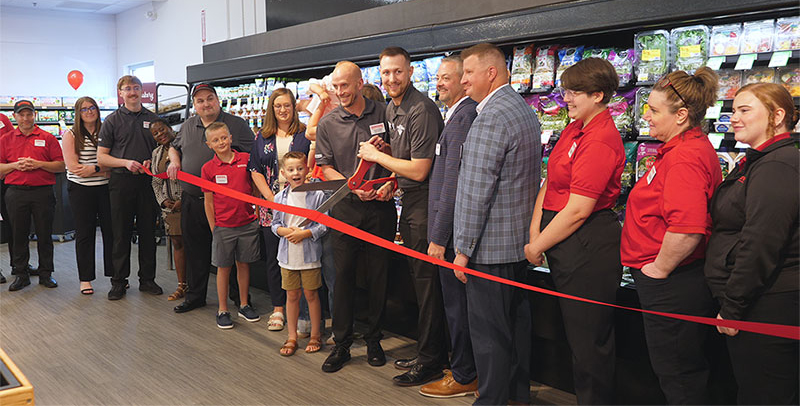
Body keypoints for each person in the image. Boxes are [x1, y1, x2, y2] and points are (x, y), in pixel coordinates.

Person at [523, 58, 624, 404]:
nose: (566, 97)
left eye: (575, 91)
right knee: (577, 340)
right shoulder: (574, 128)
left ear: (598, 95)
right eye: (566, 89)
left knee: (589, 346)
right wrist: (536, 232)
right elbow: (550, 180)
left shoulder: (600, 139)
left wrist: (538, 246)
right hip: (563, 245)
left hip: (587, 248)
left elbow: (579, 210)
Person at [619, 67, 722, 404]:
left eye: (653, 110)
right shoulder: (681, 150)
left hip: (673, 283)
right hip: (672, 280)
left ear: (681, 116)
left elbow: (687, 228)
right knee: (676, 369)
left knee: (678, 372)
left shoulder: (684, 159)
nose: (645, 116)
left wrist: (660, 268)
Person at [452, 43, 541, 405]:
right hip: (517, 246)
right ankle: (517, 395)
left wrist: (462, 250)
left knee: (489, 335)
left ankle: (491, 400)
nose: (463, 80)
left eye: (468, 73)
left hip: (488, 250)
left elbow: (475, 191)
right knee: (516, 328)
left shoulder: (490, 117)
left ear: (491, 73)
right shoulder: (521, 108)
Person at [704, 83, 799, 404]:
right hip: (759, 301)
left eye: (745, 110)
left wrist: (733, 307)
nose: (733, 118)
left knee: (765, 395)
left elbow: (761, 242)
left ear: (778, 115)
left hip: (767, 305)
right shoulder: (761, 161)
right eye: (733, 110)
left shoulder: (777, 166)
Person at [359, 46, 447, 387]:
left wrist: (376, 158)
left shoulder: (420, 108)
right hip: (410, 202)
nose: (391, 79)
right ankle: (429, 351)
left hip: (425, 206)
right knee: (420, 283)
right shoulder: (394, 107)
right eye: (385, 73)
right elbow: (408, 161)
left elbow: (422, 170)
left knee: (427, 287)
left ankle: (431, 362)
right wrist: (390, 163)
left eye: (397, 72)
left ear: (410, 72)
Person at [317, 61, 396, 373]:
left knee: (379, 275)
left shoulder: (385, 113)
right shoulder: (327, 123)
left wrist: (391, 180)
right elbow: (325, 167)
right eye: (336, 87)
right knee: (344, 277)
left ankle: (375, 338)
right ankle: (342, 344)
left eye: (345, 86)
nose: (340, 93)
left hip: (380, 208)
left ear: (361, 83)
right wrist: (352, 188)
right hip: (346, 209)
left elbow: (399, 156)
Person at [418, 55, 480, 398]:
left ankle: (464, 374)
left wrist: (438, 238)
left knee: (458, 310)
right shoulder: (454, 115)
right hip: (451, 233)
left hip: (454, 236)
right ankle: (463, 368)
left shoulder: (465, 116)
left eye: (447, 77)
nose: (440, 83)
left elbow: (452, 185)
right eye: (438, 78)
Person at [167, 83, 254, 313]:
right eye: (200, 101)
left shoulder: (237, 124)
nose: (206, 104)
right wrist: (175, 160)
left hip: (228, 204)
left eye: (210, 98)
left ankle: (240, 299)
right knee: (195, 250)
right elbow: (173, 147)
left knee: (233, 253)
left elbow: (251, 158)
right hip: (193, 200)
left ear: (217, 99)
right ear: (195, 105)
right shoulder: (187, 126)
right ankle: (196, 296)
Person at [249, 87, 311, 331]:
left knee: (304, 258)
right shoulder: (262, 137)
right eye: (278, 106)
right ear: (271, 110)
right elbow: (254, 169)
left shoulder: (305, 134)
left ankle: (305, 310)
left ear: (293, 107)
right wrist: (270, 197)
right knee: (276, 258)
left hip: (301, 205)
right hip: (272, 206)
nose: (283, 110)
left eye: (287, 105)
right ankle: (278, 308)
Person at [97, 75, 162, 300]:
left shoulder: (154, 119)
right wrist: (125, 162)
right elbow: (102, 158)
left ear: (142, 91)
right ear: (121, 93)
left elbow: (163, 152)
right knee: (120, 234)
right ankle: (118, 282)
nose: (133, 92)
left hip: (147, 183)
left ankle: (147, 280)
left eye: (136, 88)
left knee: (147, 232)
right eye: (128, 89)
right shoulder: (112, 121)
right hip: (121, 182)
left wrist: (151, 162)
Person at [201, 122, 261, 329]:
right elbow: (208, 202)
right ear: (209, 144)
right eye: (216, 140)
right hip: (223, 227)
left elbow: (255, 189)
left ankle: (244, 304)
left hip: (247, 224)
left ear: (231, 137)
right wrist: (213, 227)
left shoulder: (246, 160)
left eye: (224, 138)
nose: (221, 142)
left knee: (243, 265)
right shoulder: (208, 169)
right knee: (223, 268)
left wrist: (257, 213)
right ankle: (223, 309)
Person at [0, 100, 66, 291]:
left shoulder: (47, 138)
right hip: (15, 193)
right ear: (15, 117)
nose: (26, 118)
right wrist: (15, 166)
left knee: (45, 234)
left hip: (42, 193)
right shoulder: (6, 140)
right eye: (21, 115)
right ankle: (21, 274)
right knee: (18, 235)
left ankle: (46, 274)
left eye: (29, 114)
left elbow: (60, 165)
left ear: (34, 115)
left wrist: (38, 164)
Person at [271, 151, 328, 355]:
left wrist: (305, 233)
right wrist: (284, 231)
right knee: (292, 295)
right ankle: (292, 336)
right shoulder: (280, 197)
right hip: (287, 257)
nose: (296, 173)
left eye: (300, 168)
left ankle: (315, 335)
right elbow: (275, 224)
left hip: (310, 255)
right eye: (291, 169)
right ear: (283, 173)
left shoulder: (318, 194)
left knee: (311, 294)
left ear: (307, 169)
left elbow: (324, 224)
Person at [61, 96, 113, 295]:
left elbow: (112, 163)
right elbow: (74, 168)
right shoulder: (71, 134)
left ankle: (115, 275)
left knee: (111, 232)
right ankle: (85, 279)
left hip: (106, 189)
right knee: (85, 233)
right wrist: (102, 168)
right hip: (81, 190)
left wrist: (94, 168)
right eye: (84, 109)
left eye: (92, 108)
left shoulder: (106, 130)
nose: (89, 112)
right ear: (78, 113)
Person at [150, 119, 186, 301]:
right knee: (177, 244)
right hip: (169, 209)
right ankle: (182, 286)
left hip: (188, 205)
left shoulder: (183, 145)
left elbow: (194, 172)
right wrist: (163, 200)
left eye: (162, 130)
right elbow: (155, 180)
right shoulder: (156, 153)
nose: (160, 134)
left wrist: (183, 199)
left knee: (194, 245)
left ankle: (196, 286)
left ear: (170, 128)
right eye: (155, 133)